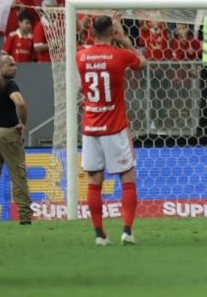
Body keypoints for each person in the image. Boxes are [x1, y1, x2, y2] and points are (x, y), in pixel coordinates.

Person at [78, 15, 146, 246]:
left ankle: (100, 235)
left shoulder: (81, 55)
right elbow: (143, 63)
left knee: (94, 180)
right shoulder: (120, 55)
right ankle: (127, 231)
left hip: (90, 127)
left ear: (92, 32)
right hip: (115, 127)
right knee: (127, 176)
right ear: (111, 32)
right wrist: (124, 40)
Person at [0, 53, 30, 225]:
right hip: (8, 133)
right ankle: (25, 217)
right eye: (11, 65)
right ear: (0, 67)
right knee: (18, 175)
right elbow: (20, 102)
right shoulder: (9, 84)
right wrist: (22, 122)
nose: (15, 67)